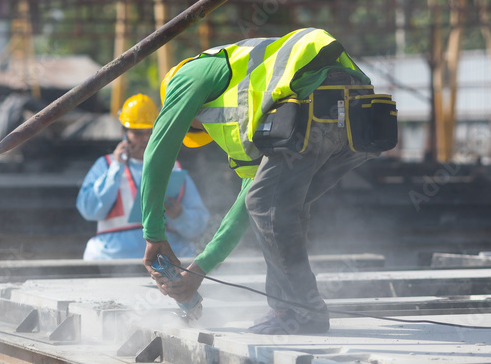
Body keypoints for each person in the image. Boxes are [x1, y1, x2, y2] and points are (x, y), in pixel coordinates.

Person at [139, 28, 394, 335]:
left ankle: (303, 311)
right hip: (360, 116)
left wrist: (153, 234)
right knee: (283, 205)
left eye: (196, 127)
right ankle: (288, 309)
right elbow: (245, 211)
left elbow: (159, 151)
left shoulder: (187, 75)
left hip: (318, 97)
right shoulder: (256, 106)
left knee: (270, 206)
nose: (204, 128)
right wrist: (198, 270)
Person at [77, 94, 209, 261]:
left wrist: (179, 214)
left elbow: (199, 225)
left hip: (167, 259)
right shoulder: (106, 165)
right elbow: (89, 210)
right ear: (123, 132)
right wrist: (116, 168)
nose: (146, 139)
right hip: (114, 259)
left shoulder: (173, 168)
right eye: (138, 133)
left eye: (150, 132)